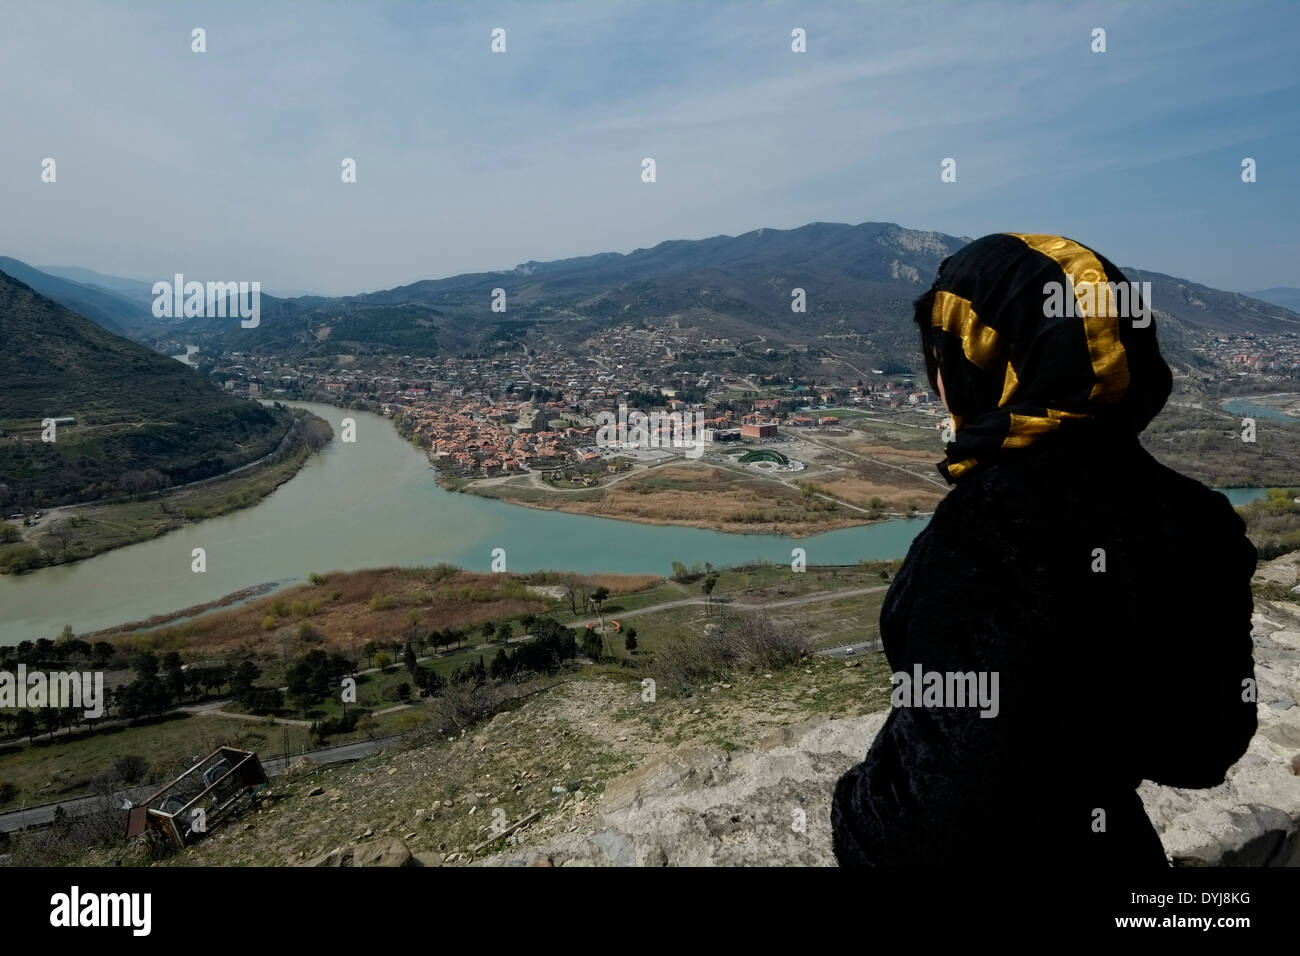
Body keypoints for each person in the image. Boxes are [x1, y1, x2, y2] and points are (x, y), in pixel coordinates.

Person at [831, 233, 1258, 867]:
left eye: (940, 360)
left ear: (988, 365)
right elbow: (1205, 746)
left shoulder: (988, 526)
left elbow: (935, 816)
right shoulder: (1199, 517)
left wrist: (853, 804)